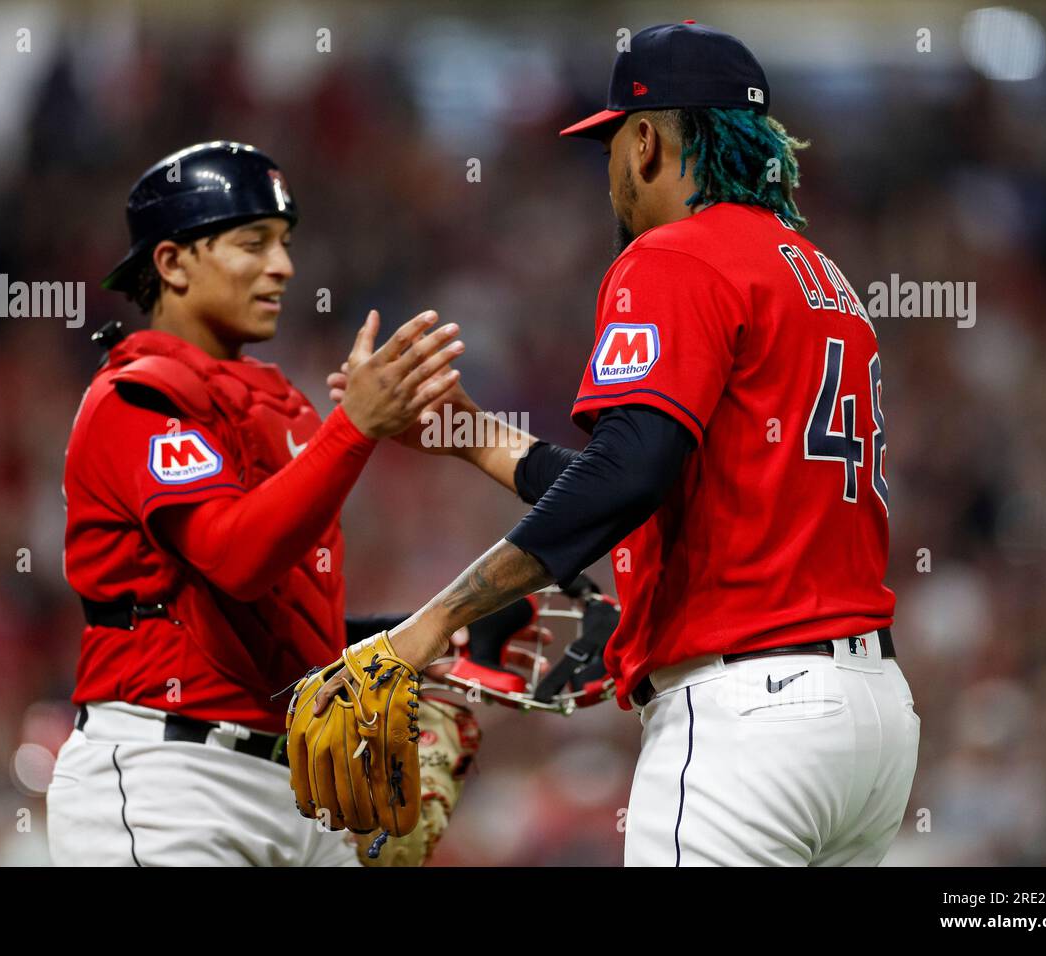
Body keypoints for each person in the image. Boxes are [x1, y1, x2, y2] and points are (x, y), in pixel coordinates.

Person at [314, 22, 920, 867]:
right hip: (871, 724)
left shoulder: (673, 255)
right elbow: (654, 482)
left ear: (644, 142)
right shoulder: (820, 277)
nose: (608, 176)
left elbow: (628, 474)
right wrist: (468, 434)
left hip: (747, 715)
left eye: (608, 144)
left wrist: (431, 625)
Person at [46, 140, 482, 866]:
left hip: (303, 790)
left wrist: (429, 630)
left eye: (284, 243)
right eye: (253, 243)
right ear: (172, 263)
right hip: (172, 781)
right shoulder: (137, 399)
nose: (282, 266)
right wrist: (356, 428)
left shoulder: (276, 408)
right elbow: (237, 557)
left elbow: (277, 613)